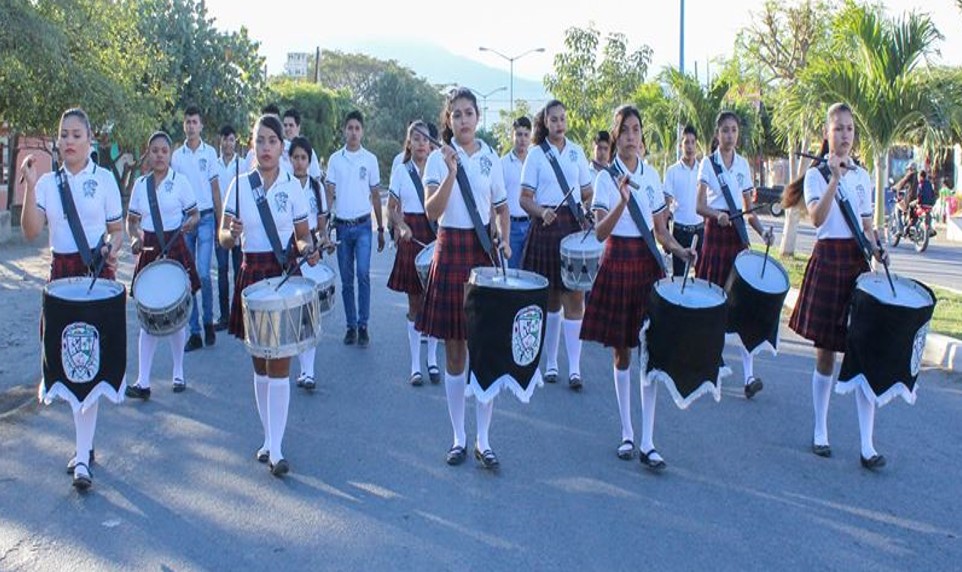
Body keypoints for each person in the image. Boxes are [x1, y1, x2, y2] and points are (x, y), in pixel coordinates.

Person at [581, 105, 696, 468]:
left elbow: (661, 232)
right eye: (625, 130)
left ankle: (648, 440)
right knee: (622, 351)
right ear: (616, 136)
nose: (632, 136)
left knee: (650, 353)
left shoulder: (652, 175)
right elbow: (599, 232)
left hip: (647, 264)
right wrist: (622, 202)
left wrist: (681, 250)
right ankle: (627, 432)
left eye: (636, 130)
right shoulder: (604, 179)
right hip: (616, 261)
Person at [19, 107, 125, 490]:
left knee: (89, 361)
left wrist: (112, 248)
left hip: (95, 277)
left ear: (90, 139)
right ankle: (85, 443)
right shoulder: (48, 183)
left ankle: (82, 458)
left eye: (76, 134)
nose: (68, 141)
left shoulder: (106, 180)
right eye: (64, 134)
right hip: (61, 279)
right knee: (69, 362)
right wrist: (30, 183)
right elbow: (31, 231)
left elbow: (117, 230)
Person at [783, 102, 889, 469]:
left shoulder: (862, 175)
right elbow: (817, 217)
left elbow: (866, 224)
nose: (845, 135)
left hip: (856, 264)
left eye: (849, 129)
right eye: (839, 129)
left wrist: (877, 249)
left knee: (863, 353)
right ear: (827, 133)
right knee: (826, 352)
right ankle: (820, 431)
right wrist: (834, 178)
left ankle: (867, 445)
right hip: (828, 261)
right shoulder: (816, 176)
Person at [220, 115, 320, 477]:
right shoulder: (239, 185)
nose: (265, 148)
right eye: (259, 141)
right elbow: (224, 237)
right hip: (251, 274)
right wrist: (231, 234)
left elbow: (303, 236)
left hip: (283, 275)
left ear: (282, 146)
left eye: (272, 141)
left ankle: (276, 449)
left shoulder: (294, 187)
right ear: (252, 146)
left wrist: (307, 247)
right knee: (260, 364)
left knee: (280, 363)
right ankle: (267, 437)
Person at [417, 87, 511, 469]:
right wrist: (452, 174)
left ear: (478, 116)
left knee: (485, 348)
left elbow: (501, 208)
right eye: (456, 114)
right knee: (455, 350)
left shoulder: (491, 157)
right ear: (449, 121)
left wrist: (502, 236)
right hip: (450, 248)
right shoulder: (439, 161)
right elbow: (431, 212)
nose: (463, 120)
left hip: (482, 253)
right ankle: (459, 437)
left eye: (469, 113)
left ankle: (484, 441)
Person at [695, 111, 774, 399]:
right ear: (717, 134)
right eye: (725, 130)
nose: (730, 135)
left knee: (744, 307)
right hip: (716, 235)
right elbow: (699, 205)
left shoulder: (742, 165)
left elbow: (748, 209)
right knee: (715, 303)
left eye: (734, 130)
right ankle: (711, 366)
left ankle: (749, 375)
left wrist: (763, 231)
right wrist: (717, 215)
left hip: (737, 237)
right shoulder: (708, 163)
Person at [520, 99, 592, 390]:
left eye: (563, 119)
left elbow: (587, 192)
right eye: (554, 120)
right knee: (550, 298)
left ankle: (575, 368)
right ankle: (551, 363)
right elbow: (524, 198)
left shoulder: (577, 152)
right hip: (546, 226)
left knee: (575, 298)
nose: (559, 124)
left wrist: (586, 212)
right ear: (545, 122)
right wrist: (541, 211)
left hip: (572, 227)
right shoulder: (536, 154)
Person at [125, 131, 201, 398]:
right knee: (149, 317)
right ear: (148, 153)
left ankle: (178, 372)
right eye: (154, 150)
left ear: (170, 154)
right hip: (149, 250)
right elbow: (132, 222)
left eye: (164, 151)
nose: (159, 155)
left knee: (176, 315)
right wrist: (135, 238)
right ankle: (142, 381)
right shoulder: (139, 185)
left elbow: (195, 214)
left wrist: (189, 224)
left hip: (175, 247)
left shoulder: (180, 182)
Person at [386, 121, 440, 386]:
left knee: (435, 301)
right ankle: (416, 364)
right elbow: (392, 207)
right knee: (415, 304)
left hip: (436, 234)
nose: (421, 143)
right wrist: (401, 224)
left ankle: (432, 360)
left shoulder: (439, 167)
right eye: (416, 138)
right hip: (412, 235)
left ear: (432, 143)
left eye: (425, 138)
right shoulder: (401, 171)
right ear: (409, 143)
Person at [325, 110, 384, 347]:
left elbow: (376, 195)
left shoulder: (369, 160)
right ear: (344, 130)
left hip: (362, 226)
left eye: (357, 128)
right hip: (342, 226)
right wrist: (324, 227)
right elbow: (329, 195)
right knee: (347, 279)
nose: (353, 132)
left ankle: (363, 324)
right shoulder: (335, 160)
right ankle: (350, 326)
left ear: (362, 131)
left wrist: (381, 227)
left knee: (363, 275)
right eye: (349, 127)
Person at [172, 105, 221, 351]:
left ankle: (209, 320)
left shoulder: (209, 153)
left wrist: (221, 222)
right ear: (184, 125)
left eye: (195, 122)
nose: (191, 126)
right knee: (188, 277)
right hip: (184, 221)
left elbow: (215, 190)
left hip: (206, 218)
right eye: (188, 121)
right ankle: (195, 332)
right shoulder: (176, 156)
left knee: (202, 272)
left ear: (201, 126)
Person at [289, 136, 334, 390]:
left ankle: (309, 371)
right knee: (296, 311)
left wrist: (325, 241)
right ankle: (301, 365)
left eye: (303, 158)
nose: (299, 162)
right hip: (290, 254)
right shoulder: (283, 185)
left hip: (312, 250)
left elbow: (322, 223)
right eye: (295, 157)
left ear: (309, 160)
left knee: (311, 311)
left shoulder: (317, 187)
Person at [663, 125, 704, 277]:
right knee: (679, 277)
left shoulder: (702, 170)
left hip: (700, 231)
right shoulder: (672, 171)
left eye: (693, 142)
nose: (690, 146)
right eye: (686, 142)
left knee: (701, 276)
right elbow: (666, 204)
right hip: (680, 231)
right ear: (681, 145)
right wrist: (666, 234)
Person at [214, 124, 243, 330]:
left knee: (240, 272)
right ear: (220, 141)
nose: (228, 143)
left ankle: (240, 315)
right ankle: (224, 316)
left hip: (239, 226)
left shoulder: (241, 165)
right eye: (224, 139)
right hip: (221, 224)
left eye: (231, 139)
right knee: (222, 271)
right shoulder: (213, 165)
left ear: (235, 142)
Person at [501, 116, 532, 268]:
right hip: (511, 227)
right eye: (519, 134)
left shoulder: (535, 162)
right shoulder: (503, 164)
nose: (522, 139)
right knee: (512, 272)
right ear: (512, 136)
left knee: (531, 271)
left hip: (532, 225)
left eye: (526, 135)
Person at [282, 108, 323, 181]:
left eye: (291, 125)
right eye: (285, 125)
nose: (287, 128)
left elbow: (315, 177)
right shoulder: (279, 149)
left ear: (298, 127)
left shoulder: (308, 150)